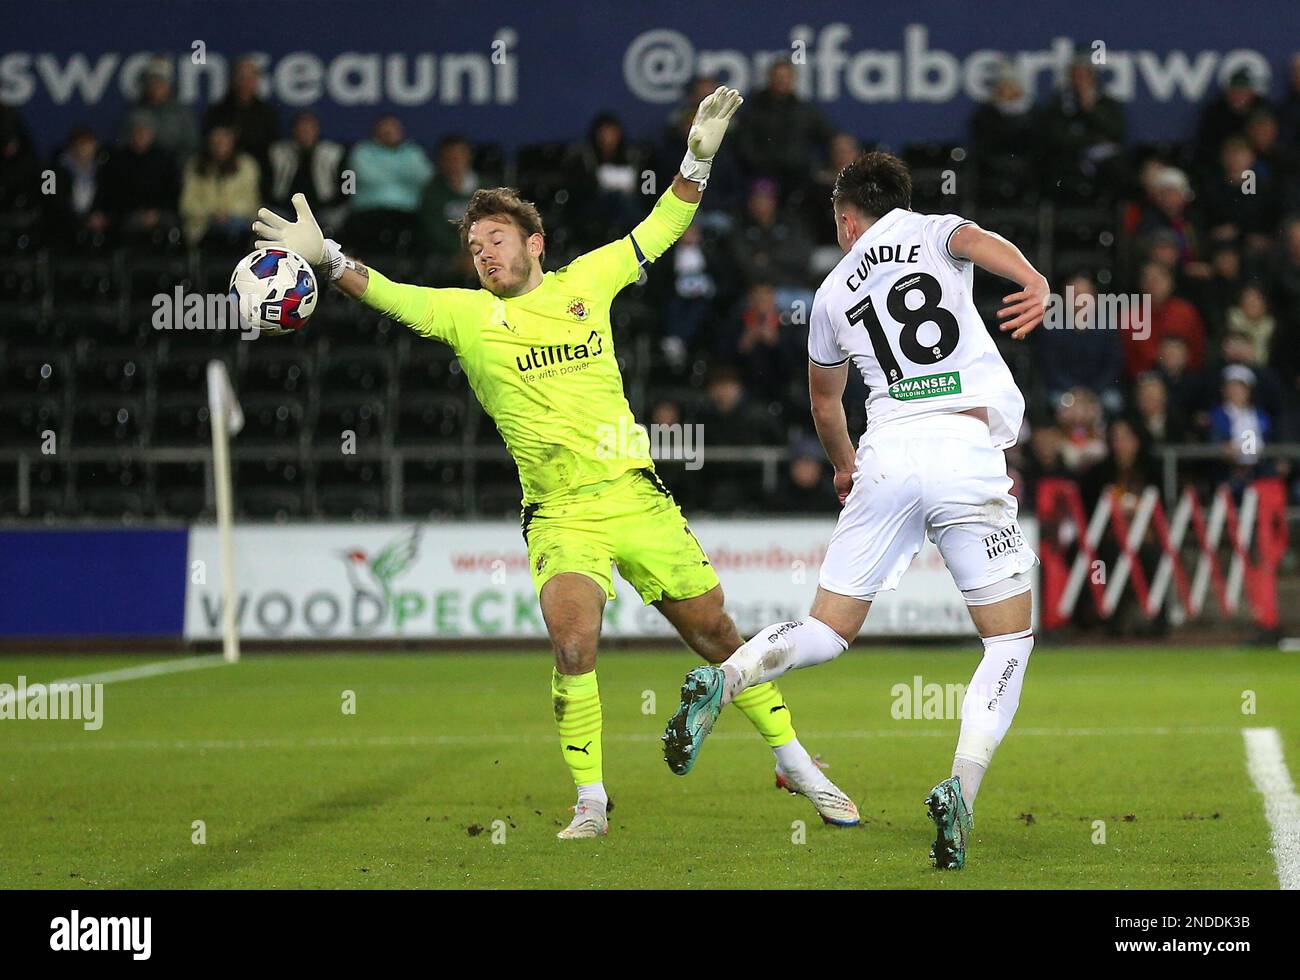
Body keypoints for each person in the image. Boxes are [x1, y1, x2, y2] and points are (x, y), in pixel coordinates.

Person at [251, 87, 859, 839]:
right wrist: (329, 256)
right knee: (573, 643)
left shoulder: (586, 282)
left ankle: (796, 762)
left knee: (716, 635)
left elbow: (663, 224)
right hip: (561, 515)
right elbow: (390, 295)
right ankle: (592, 803)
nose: (483, 254)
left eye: (496, 239)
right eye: (474, 246)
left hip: (636, 497)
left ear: (534, 243)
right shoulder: (467, 316)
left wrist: (697, 157)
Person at [662, 150, 1049, 871]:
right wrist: (1031, 278)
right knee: (1008, 641)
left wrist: (844, 467)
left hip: (888, 452)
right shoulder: (933, 230)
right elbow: (976, 244)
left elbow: (823, 401)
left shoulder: (834, 290)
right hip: (963, 444)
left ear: (846, 218)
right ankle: (960, 789)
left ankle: (730, 676)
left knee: (827, 628)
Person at [179, 124, 259, 245]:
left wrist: (227, 214)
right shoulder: (195, 167)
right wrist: (212, 213)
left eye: (223, 143)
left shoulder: (247, 166)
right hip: (202, 225)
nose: (219, 147)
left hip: (238, 223)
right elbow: (187, 204)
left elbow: (251, 202)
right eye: (215, 143)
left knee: (237, 227)